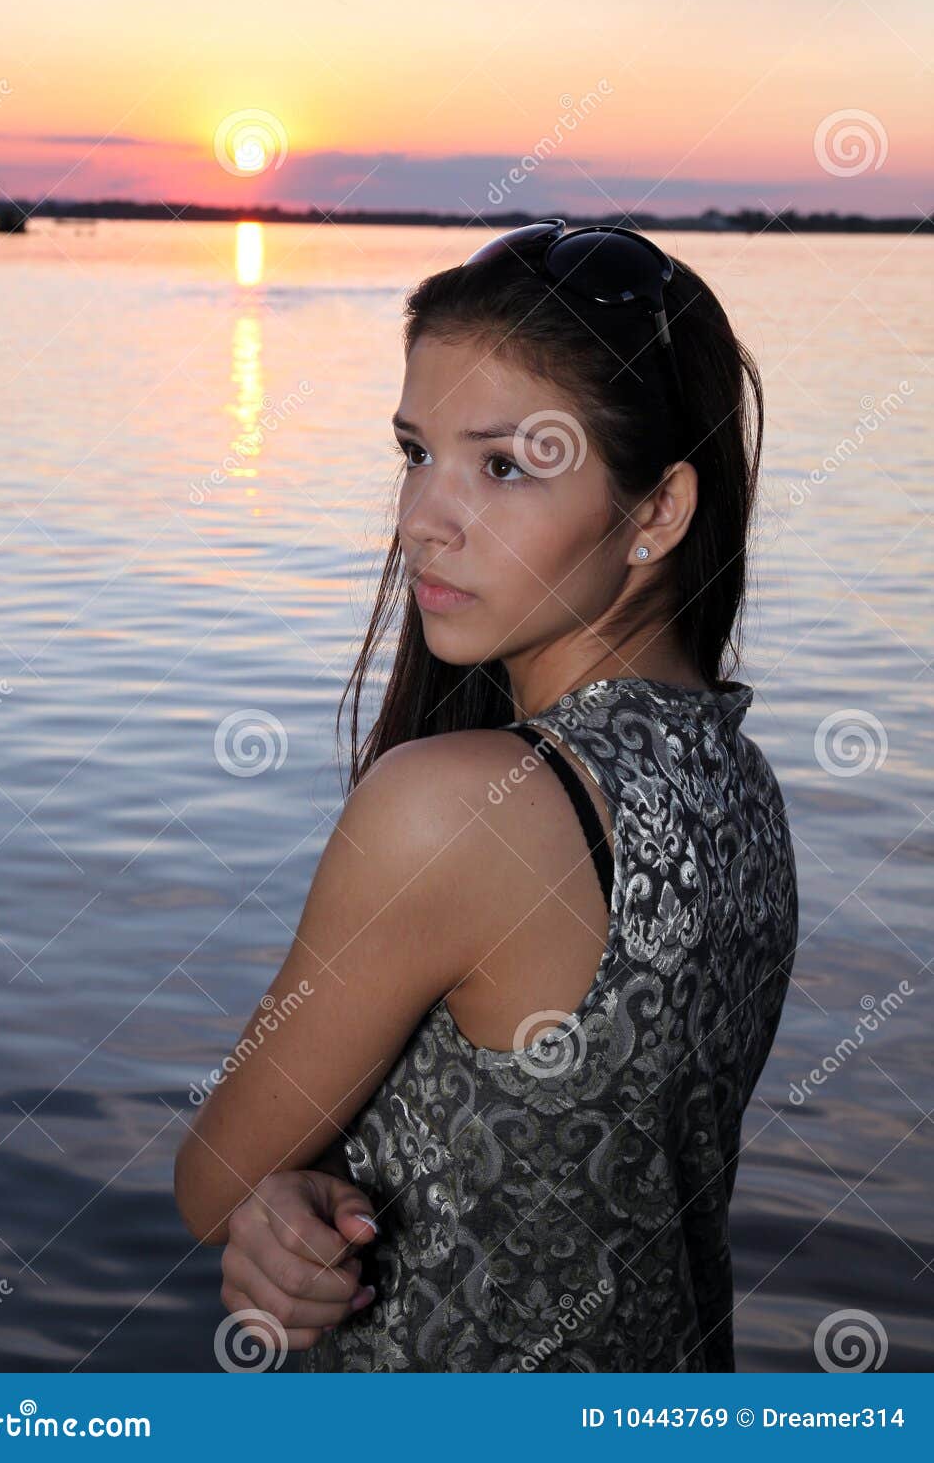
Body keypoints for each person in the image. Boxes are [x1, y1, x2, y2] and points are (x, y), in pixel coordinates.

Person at [173, 220, 799, 1372]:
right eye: (416, 451)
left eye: (504, 465)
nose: (422, 518)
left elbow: (209, 1180)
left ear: (657, 512)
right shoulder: (738, 782)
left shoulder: (454, 808)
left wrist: (273, 1192)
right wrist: (308, 1192)